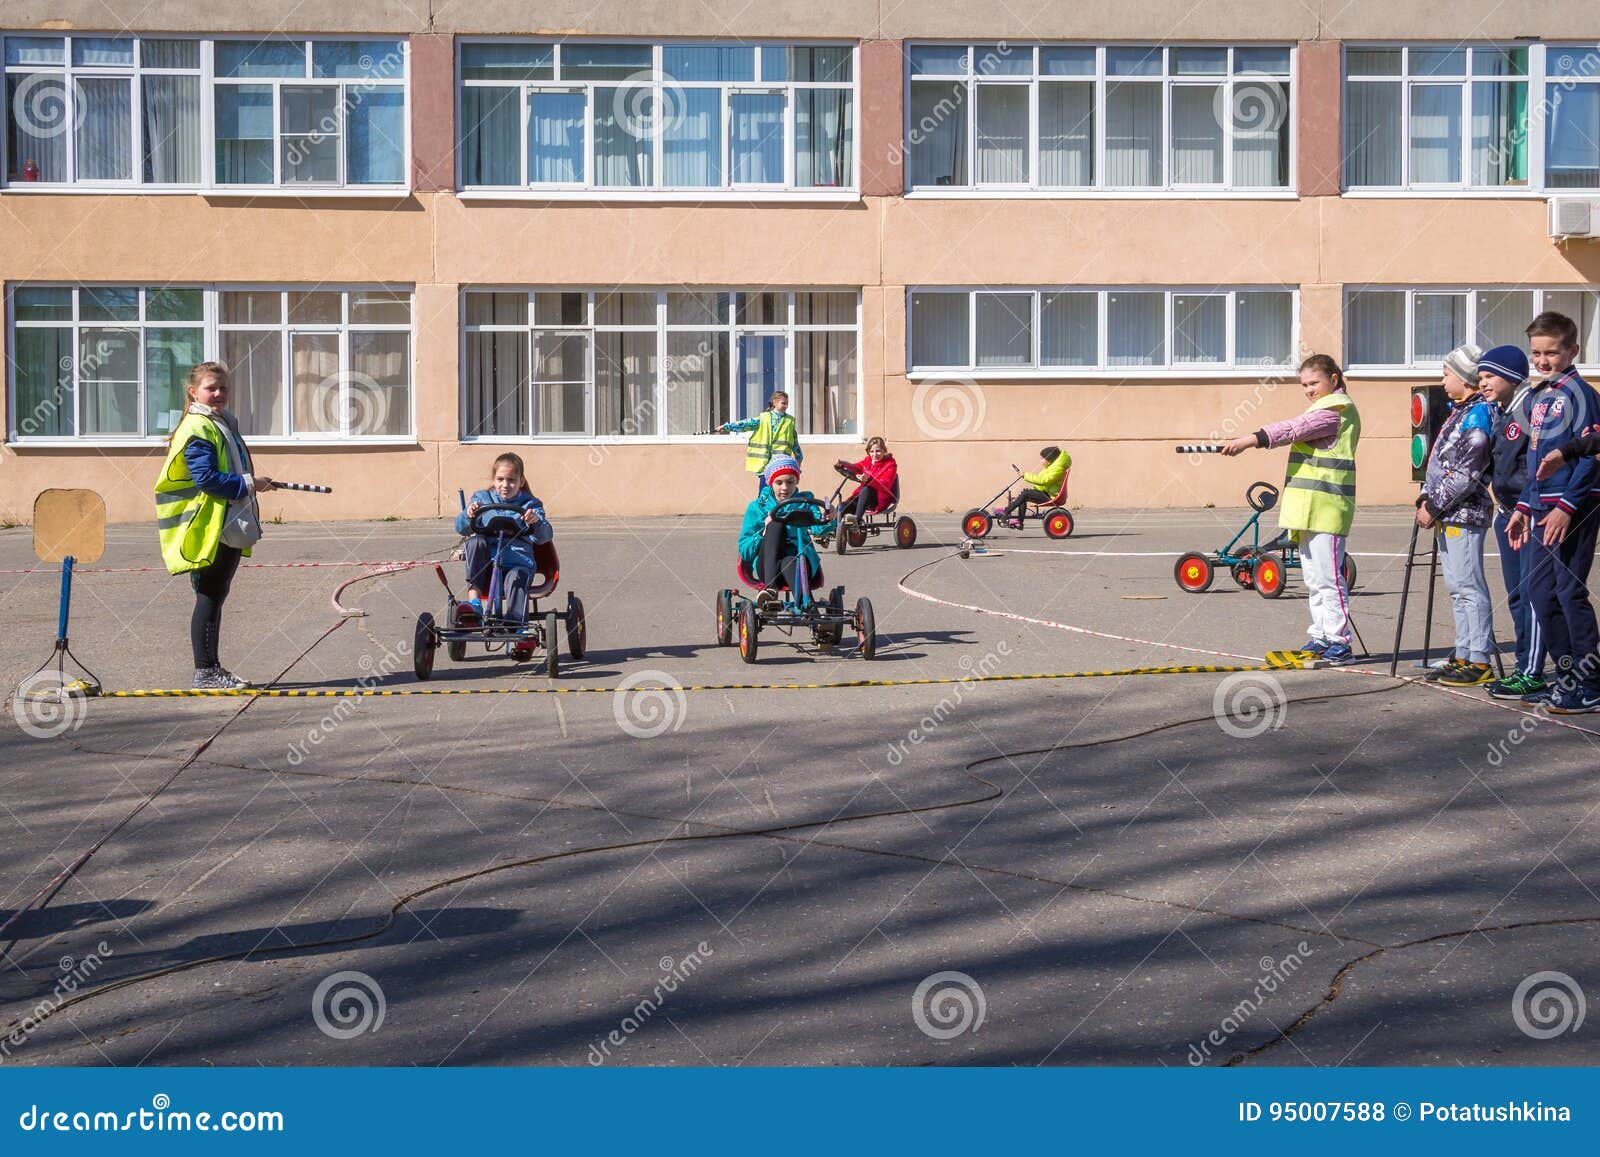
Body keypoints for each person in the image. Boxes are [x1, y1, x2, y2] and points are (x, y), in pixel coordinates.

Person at [1222, 354, 1361, 664]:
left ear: (1333, 380)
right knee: (1313, 578)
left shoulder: (1336, 410)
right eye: (1304, 385)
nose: (1309, 390)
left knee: (1329, 579)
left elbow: (1294, 429)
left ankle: (1340, 643)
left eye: (1314, 383)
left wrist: (1249, 440)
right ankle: (1321, 636)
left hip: (1327, 509)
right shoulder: (1322, 408)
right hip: (1308, 509)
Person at [154, 361, 278, 690]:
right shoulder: (199, 427)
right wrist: (251, 484)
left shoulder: (218, 422)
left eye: (223, 387)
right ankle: (206, 671)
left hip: (224, 520)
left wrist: (251, 484)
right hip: (210, 524)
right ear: (194, 392)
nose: (219, 393)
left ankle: (210, 670)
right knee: (210, 596)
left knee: (214, 595)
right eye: (211, 388)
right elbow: (207, 479)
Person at [1506, 311, 1600, 714]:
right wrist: (1524, 506)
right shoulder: (1541, 396)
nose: (1542, 361)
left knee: (1569, 592)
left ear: (1573, 351)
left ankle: (1591, 684)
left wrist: (1566, 506)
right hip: (1542, 506)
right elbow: (1536, 460)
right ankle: (1565, 678)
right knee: (1540, 593)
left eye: (1552, 353)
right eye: (1537, 353)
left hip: (1574, 506)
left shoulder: (1582, 395)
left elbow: (1591, 456)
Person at [1416, 343, 1496, 686]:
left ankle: (1479, 658)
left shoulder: (1477, 415)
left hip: (1464, 513)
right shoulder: (1460, 411)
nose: (1442, 381)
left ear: (1465, 377)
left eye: (1446, 374)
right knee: (1457, 588)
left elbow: (1467, 472)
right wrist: (1425, 495)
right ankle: (1463, 652)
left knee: (1469, 587)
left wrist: (1434, 505)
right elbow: (1440, 463)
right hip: (1449, 514)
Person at [1480, 344, 1548, 701]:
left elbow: (1535, 467)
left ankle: (1532, 672)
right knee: (1517, 595)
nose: (1483, 383)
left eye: (1490, 376)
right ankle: (1524, 665)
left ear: (1511, 376)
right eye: (1480, 377)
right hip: (1508, 515)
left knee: (1534, 595)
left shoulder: (1530, 408)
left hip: (1530, 515)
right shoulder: (1502, 411)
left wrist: (1525, 506)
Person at [454, 453, 551, 655]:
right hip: (487, 565)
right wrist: (468, 515)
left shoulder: (531, 505)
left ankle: (519, 630)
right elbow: (461, 528)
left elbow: (544, 537)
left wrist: (536, 522)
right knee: (475, 541)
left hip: (517, 560)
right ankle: (474, 605)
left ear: (521, 481)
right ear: (493, 479)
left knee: (516, 578)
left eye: (511, 480)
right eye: (500, 479)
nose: (505, 485)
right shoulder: (481, 498)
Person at [738, 455, 835, 611]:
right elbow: (745, 551)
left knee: (789, 560)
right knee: (775, 522)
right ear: (770, 482)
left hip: (799, 565)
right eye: (779, 482)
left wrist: (829, 519)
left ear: (797, 481)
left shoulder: (805, 503)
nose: (784, 488)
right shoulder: (757, 507)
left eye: (790, 482)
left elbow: (819, 529)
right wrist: (763, 531)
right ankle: (771, 590)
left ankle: (809, 609)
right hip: (768, 568)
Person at [722, 391, 801, 493]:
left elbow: (795, 444)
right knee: (765, 492)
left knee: (782, 492)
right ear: (774, 402)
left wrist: (798, 461)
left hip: (780, 465)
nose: (786, 406)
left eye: (787, 403)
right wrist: (726, 427)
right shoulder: (763, 418)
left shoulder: (789, 421)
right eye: (783, 403)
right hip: (765, 466)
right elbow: (745, 424)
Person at [996, 446, 1070, 527]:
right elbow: (1043, 483)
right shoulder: (1052, 467)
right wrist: (1033, 490)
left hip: (1050, 496)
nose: (1040, 461)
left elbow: (1043, 480)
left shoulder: (1057, 469)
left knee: (1025, 493)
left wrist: (1025, 475)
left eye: (1042, 459)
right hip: (1047, 493)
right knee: (1025, 494)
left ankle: (1005, 512)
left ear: (1049, 460)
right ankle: (1019, 522)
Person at [836, 436, 899, 527]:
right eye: (871, 451)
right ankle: (833, 527)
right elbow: (856, 467)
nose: (875, 454)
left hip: (879, 500)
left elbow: (885, 484)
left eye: (878, 451)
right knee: (841, 507)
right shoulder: (868, 461)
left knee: (866, 488)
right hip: (863, 497)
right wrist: (843, 464)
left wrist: (868, 479)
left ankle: (856, 520)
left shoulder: (890, 465)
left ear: (884, 451)